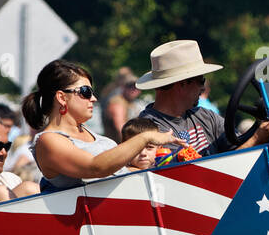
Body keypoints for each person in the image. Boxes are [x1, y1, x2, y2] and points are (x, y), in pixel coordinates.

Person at [21, 60, 179, 192]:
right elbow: (96, 167)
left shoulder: (90, 133)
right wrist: (146, 137)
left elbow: (117, 173)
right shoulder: (48, 141)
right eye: (85, 92)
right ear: (62, 97)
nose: (94, 98)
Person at [136, 40, 269, 155]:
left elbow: (237, 146)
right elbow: (196, 178)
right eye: (201, 80)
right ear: (182, 83)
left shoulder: (205, 116)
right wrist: (257, 138)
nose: (203, 88)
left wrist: (262, 127)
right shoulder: (150, 130)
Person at [99, 68, 148, 142]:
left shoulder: (131, 102)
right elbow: (121, 129)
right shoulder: (117, 102)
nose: (134, 89)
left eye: (136, 86)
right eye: (130, 86)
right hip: (117, 146)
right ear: (123, 87)